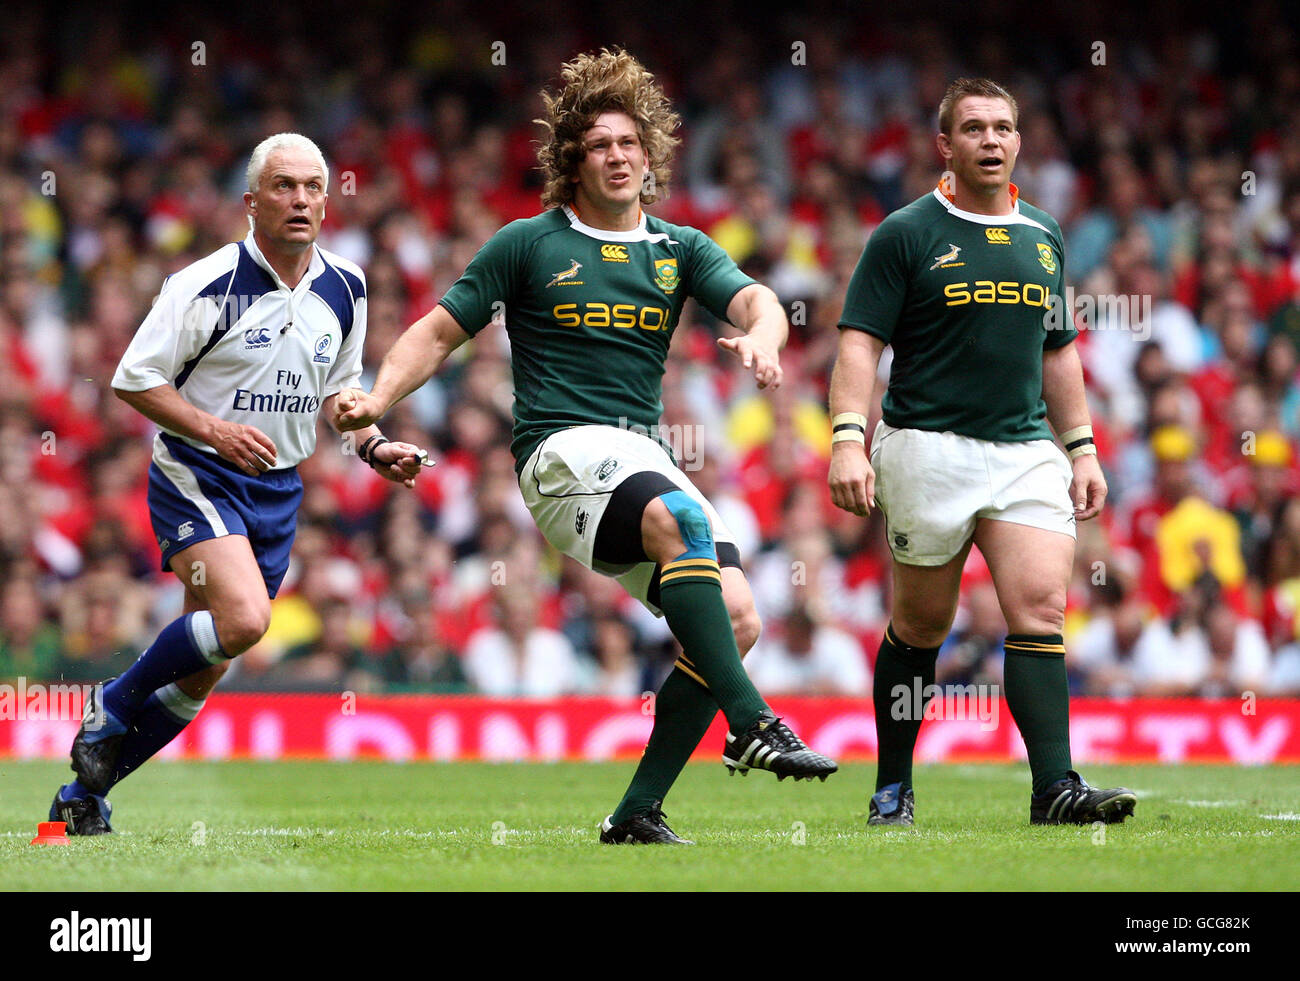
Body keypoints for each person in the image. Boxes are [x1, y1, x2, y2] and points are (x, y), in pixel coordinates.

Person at [336, 48, 837, 845]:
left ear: (651, 156)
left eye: (629, 143)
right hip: (560, 456)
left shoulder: (678, 248)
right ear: (572, 160)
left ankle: (637, 811)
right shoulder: (528, 243)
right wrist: (375, 400)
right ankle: (751, 721)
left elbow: (759, 301)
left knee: (737, 618)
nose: (616, 155)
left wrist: (767, 339)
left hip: (637, 462)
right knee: (681, 517)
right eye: (599, 143)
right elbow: (437, 333)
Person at [51, 133, 430, 835]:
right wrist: (214, 430)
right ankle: (113, 699)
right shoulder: (207, 283)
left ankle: (84, 795)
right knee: (246, 622)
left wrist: (374, 443)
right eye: (283, 187)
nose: (301, 200)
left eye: (313, 187)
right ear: (251, 203)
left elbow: (341, 394)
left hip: (278, 490)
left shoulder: (347, 286)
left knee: (204, 672)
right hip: (197, 471)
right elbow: (134, 378)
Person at [828, 78, 1136, 826]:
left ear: (1020, 141)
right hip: (925, 447)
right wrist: (846, 437)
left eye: (1003, 127)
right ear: (946, 146)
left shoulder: (1044, 234)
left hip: (1026, 449)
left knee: (1039, 609)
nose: (991, 140)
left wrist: (1083, 448)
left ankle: (1054, 788)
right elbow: (859, 343)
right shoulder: (905, 232)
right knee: (922, 625)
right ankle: (893, 785)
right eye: (974, 129)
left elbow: (1058, 351)